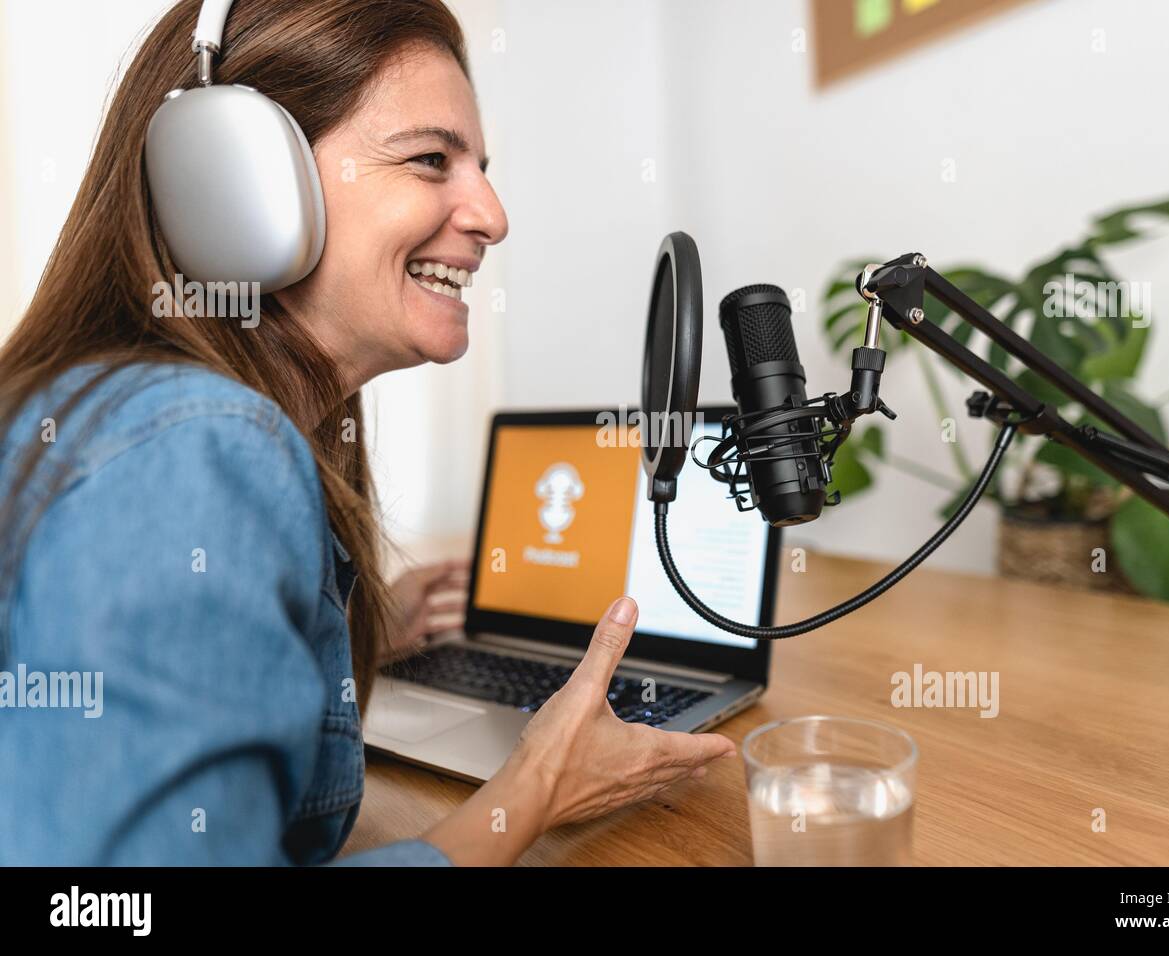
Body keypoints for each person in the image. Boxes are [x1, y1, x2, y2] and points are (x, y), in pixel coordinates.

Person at [0, 0, 734, 867]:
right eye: (432, 159)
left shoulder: (135, 414)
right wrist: (536, 785)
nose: (492, 215)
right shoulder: (195, 448)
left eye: (482, 169)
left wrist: (305, 636)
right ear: (234, 178)